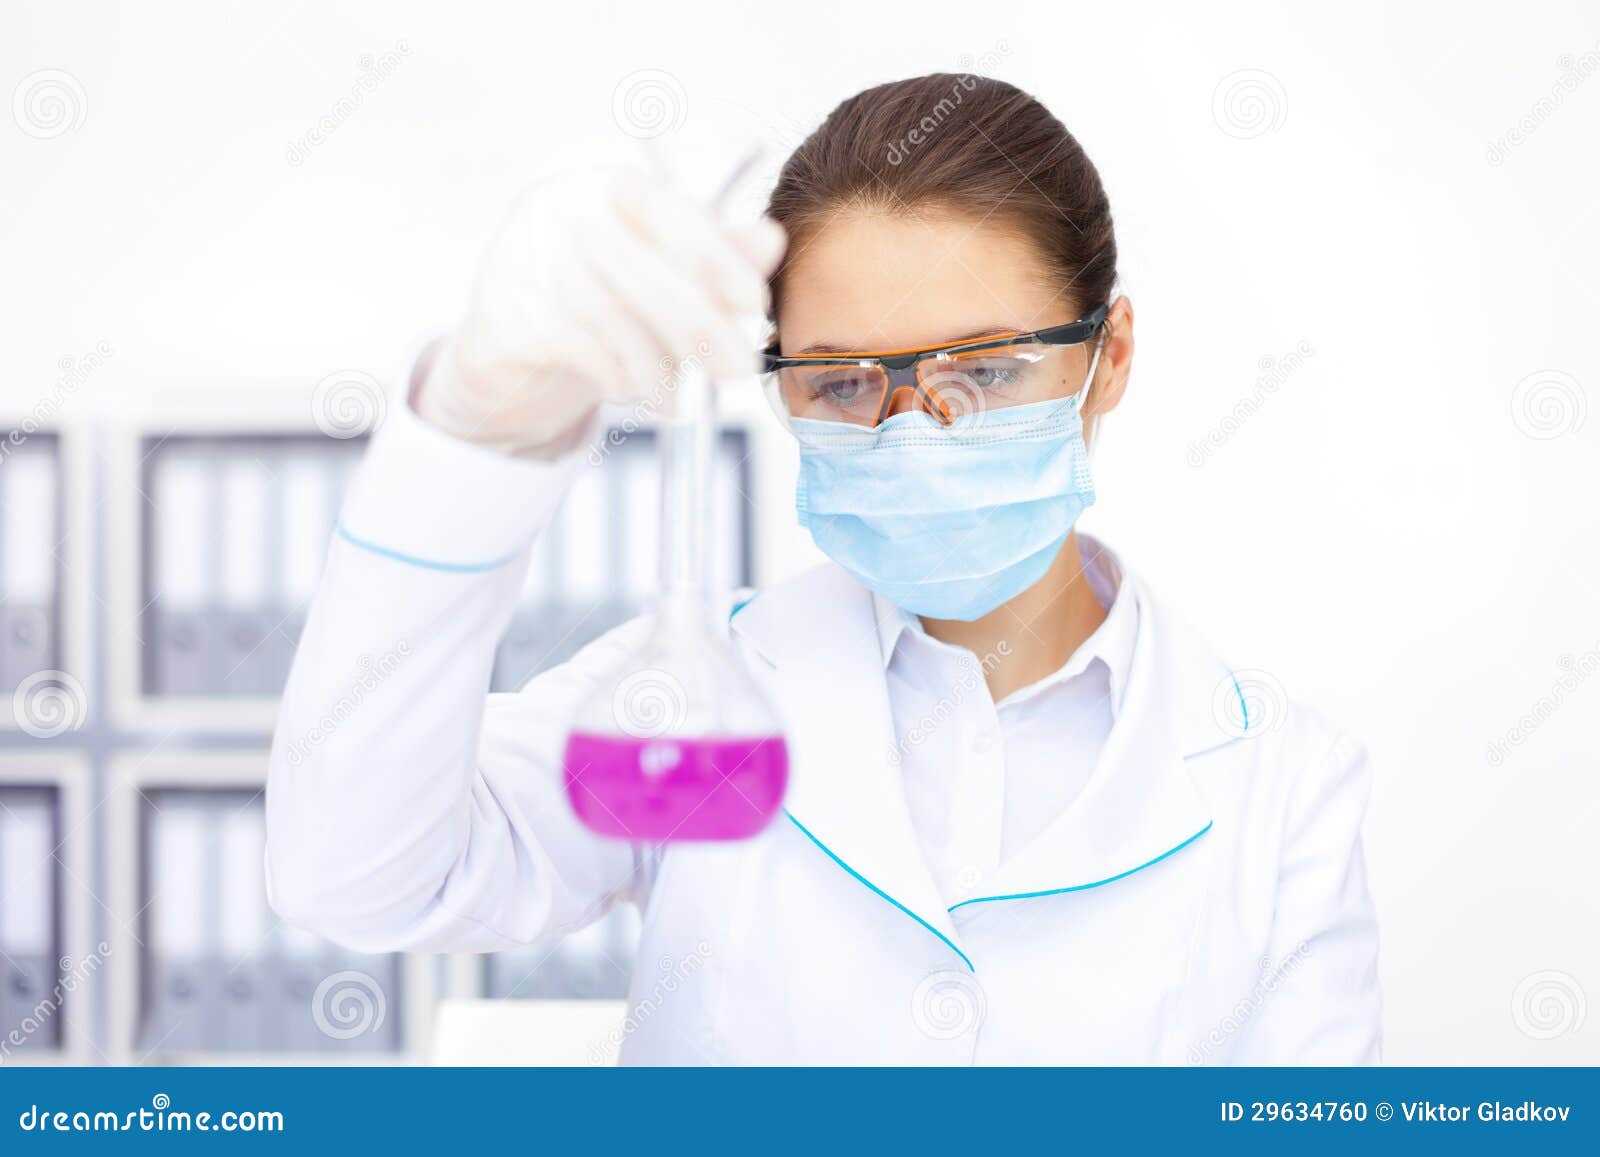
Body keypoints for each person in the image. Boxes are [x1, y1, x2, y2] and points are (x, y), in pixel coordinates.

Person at [265, 74, 1380, 1064]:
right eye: (841, 383)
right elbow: (354, 875)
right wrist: (478, 429)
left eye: (982, 370)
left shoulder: (1279, 786)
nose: (911, 433)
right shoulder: (704, 703)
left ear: (1109, 357)